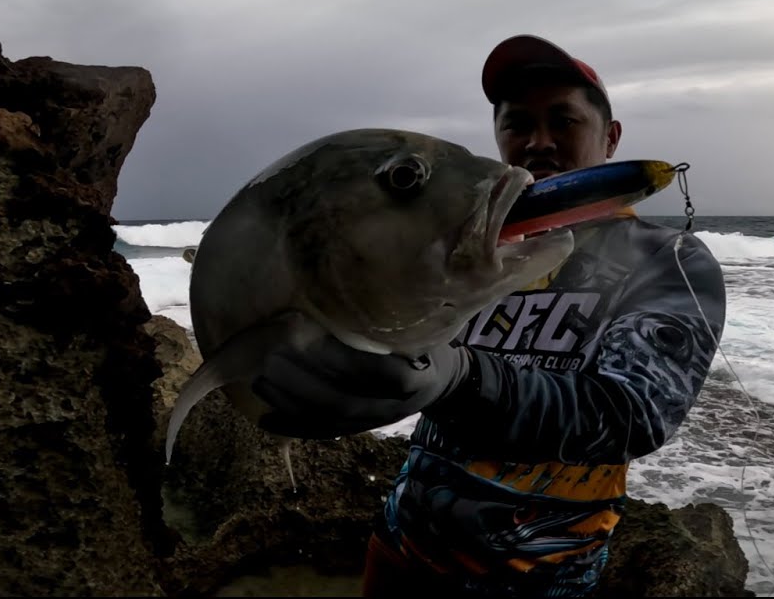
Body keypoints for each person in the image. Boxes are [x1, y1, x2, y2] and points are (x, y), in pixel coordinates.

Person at [244, 34, 728, 598]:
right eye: (517, 125)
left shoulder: (669, 260)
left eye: (564, 122)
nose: (537, 143)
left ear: (611, 137)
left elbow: (632, 416)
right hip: (401, 544)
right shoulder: (468, 249)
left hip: (537, 578)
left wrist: (461, 377)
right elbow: (400, 353)